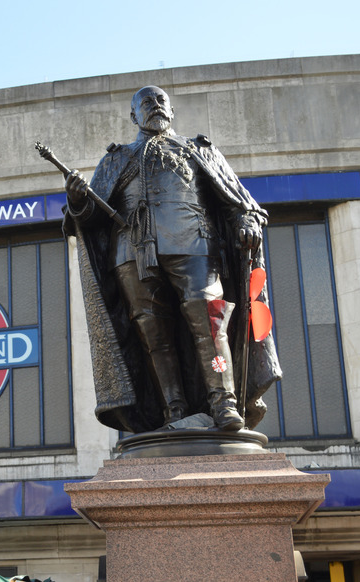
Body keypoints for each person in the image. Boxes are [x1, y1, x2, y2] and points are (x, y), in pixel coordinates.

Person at [63, 85, 280, 433]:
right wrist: (77, 200)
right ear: (134, 115)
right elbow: (90, 218)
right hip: (131, 255)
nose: (155, 106)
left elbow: (240, 202)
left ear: (172, 110)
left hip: (195, 245)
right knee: (153, 335)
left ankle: (223, 403)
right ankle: (173, 410)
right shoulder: (116, 159)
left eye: (161, 101)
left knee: (211, 322)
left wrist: (245, 221)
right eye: (146, 103)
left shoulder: (198, 150)